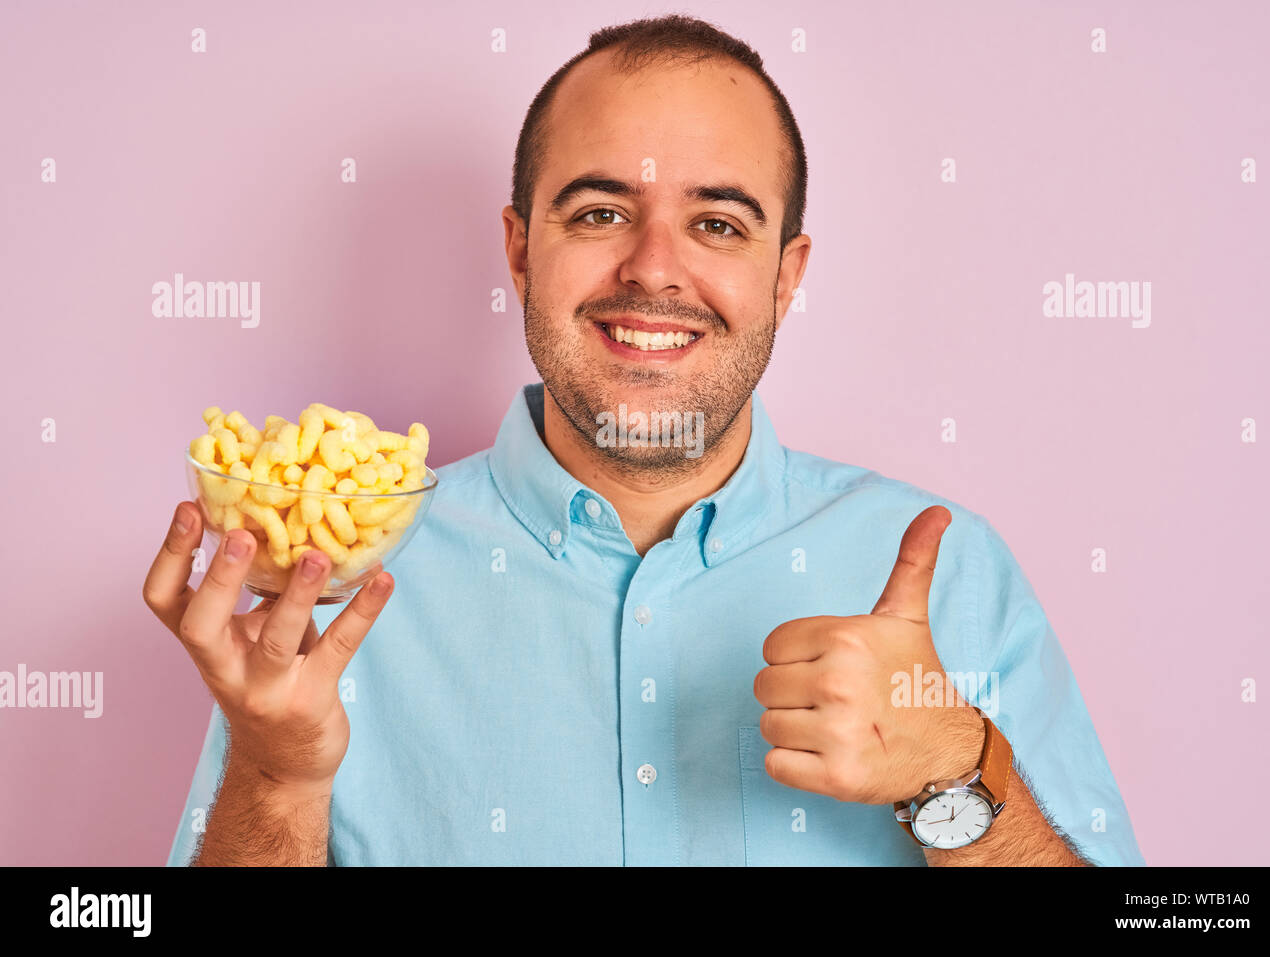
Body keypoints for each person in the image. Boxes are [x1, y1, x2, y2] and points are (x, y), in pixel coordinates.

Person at [145, 14, 1143, 866]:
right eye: (600, 211)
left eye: (717, 223)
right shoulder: (331, 582)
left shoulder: (950, 572)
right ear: (521, 249)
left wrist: (953, 775)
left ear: (786, 276)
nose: (653, 269)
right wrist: (275, 776)